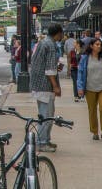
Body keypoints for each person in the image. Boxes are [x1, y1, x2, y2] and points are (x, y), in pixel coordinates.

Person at [29, 23, 64, 154]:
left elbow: (42, 63)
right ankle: (42, 142)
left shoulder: (43, 42)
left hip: (37, 84)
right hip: (45, 86)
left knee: (44, 115)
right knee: (47, 117)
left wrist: (55, 66)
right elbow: (49, 70)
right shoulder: (51, 45)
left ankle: (45, 140)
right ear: (58, 33)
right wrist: (56, 86)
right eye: (62, 33)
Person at [77, 37, 102, 142]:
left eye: (100, 44)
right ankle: (95, 132)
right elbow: (80, 73)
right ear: (91, 46)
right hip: (89, 88)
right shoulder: (85, 58)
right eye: (97, 44)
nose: (99, 46)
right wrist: (80, 87)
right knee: (92, 110)